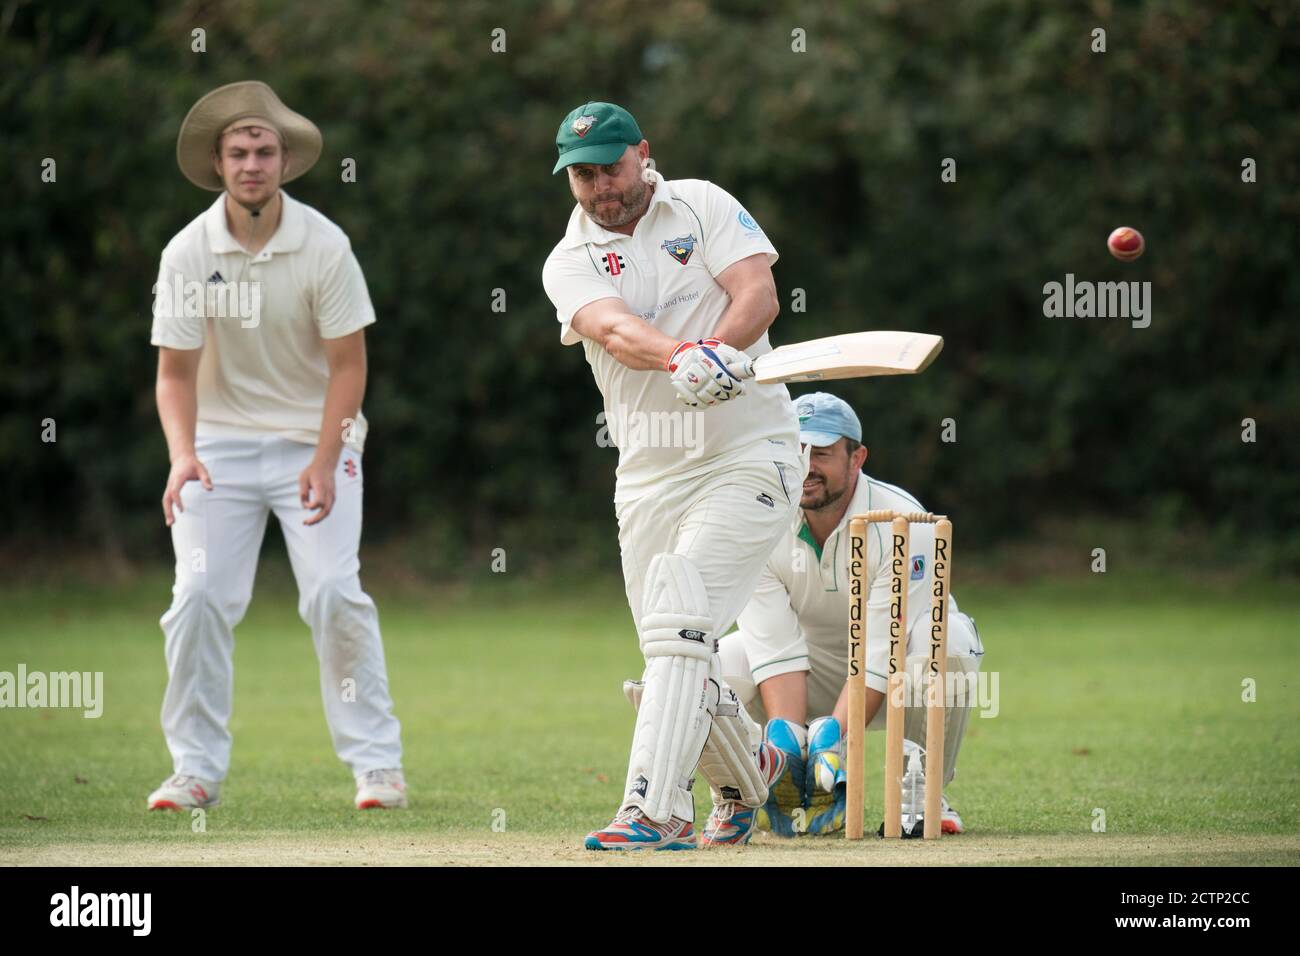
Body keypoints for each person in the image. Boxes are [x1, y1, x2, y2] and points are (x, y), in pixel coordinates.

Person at [542, 101, 807, 849]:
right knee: (676, 650)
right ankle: (752, 771)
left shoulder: (704, 203)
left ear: (644, 154)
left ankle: (654, 812)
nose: (601, 187)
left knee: (680, 618)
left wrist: (719, 350)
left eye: (611, 168)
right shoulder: (569, 260)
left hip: (750, 452)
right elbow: (614, 331)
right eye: (584, 175)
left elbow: (757, 292)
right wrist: (682, 357)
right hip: (649, 475)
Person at [147, 81, 406, 812]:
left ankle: (378, 767)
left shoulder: (324, 245)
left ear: (285, 161)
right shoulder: (187, 253)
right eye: (239, 152)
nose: (252, 163)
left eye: (264, 151)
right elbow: (174, 374)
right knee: (196, 596)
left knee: (331, 594)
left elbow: (349, 365)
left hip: (313, 441)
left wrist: (326, 460)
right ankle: (193, 770)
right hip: (217, 449)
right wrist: (180, 454)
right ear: (218, 162)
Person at [716, 392, 985, 836]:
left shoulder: (904, 521)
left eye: (820, 453)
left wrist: (834, 738)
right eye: (793, 450)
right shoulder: (757, 519)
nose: (805, 466)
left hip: (896, 677)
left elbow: (880, 651)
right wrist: (791, 744)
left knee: (949, 640)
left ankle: (919, 791)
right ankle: (742, 794)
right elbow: (775, 647)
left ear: (856, 457)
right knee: (717, 659)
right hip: (804, 671)